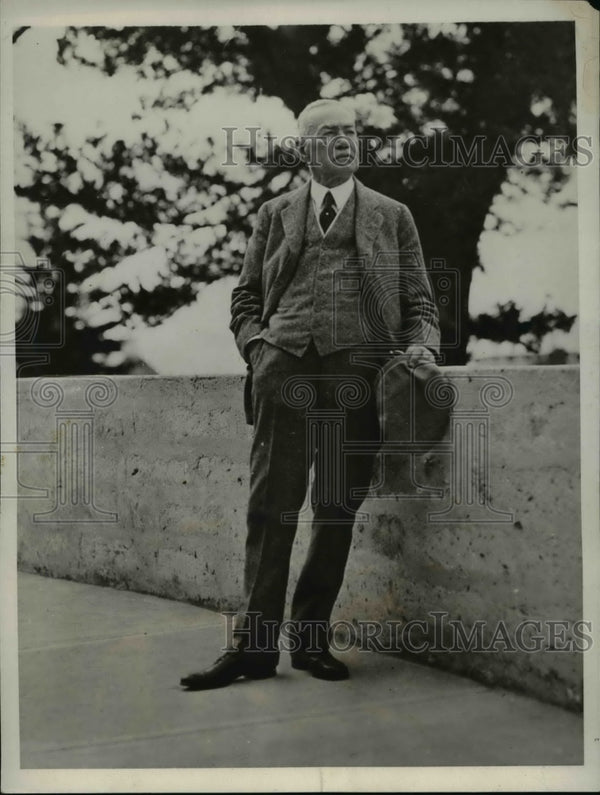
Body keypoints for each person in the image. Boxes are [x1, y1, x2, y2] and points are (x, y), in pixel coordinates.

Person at [180, 98, 440, 690]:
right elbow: (245, 297)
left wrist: (422, 344)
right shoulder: (273, 214)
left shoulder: (391, 214)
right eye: (329, 133)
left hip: (359, 375)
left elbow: (420, 302)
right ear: (304, 148)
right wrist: (258, 349)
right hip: (283, 371)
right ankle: (252, 649)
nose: (344, 141)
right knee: (270, 509)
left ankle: (311, 643)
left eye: (351, 131)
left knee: (334, 511)